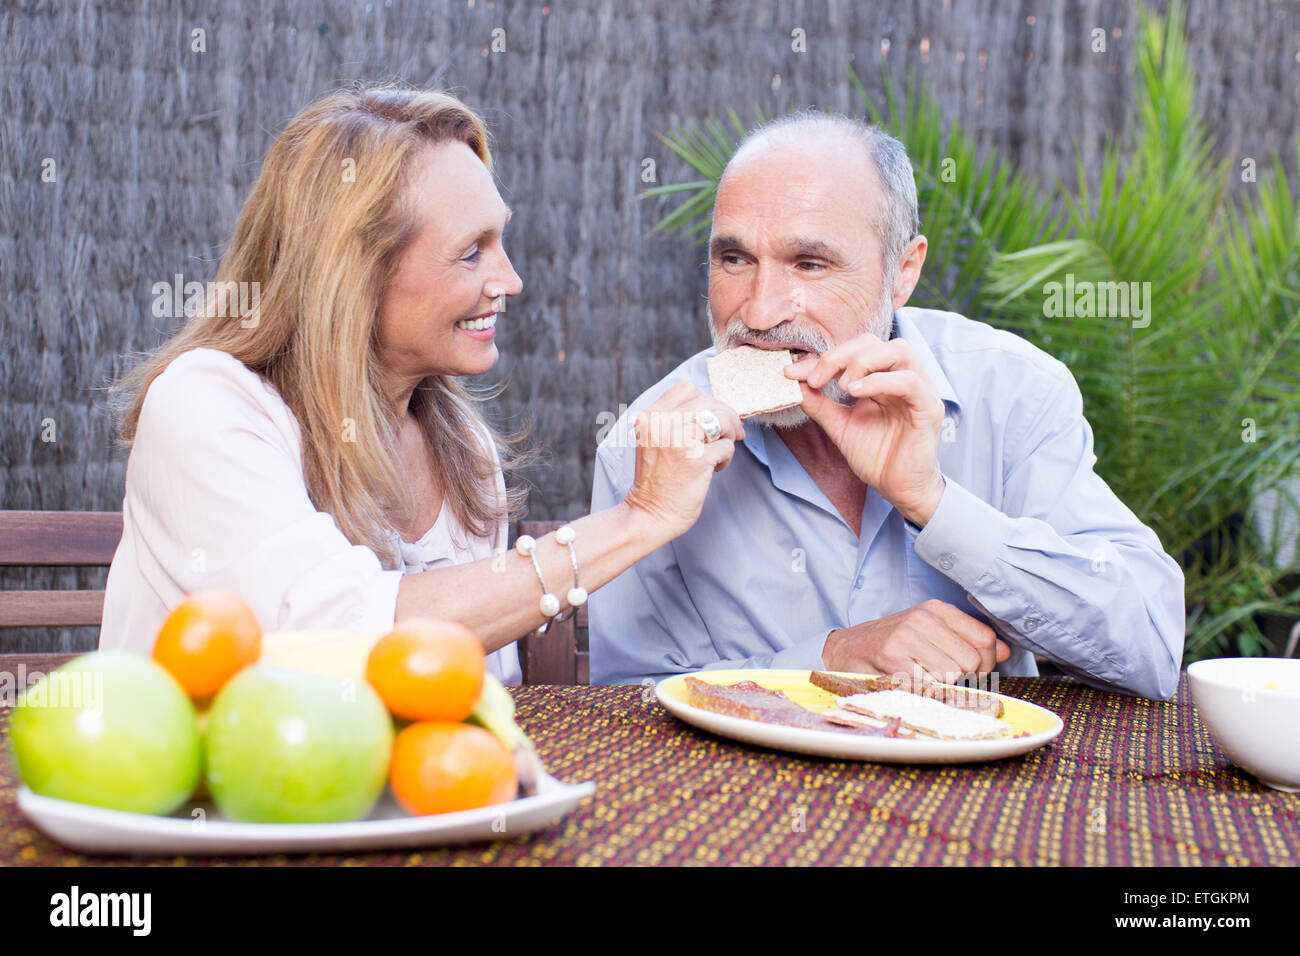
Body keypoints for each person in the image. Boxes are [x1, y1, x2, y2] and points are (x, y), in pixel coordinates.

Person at [100, 85, 742, 685]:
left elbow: (468, 694)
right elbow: (330, 642)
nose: (511, 280)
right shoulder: (204, 406)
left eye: (502, 242)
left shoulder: (461, 447)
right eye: (472, 252)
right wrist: (640, 518)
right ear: (353, 273)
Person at [588, 112, 1186, 700]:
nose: (761, 312)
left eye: (810, 263)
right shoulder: (646, 445)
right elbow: (624, 706)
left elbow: (1151, 649)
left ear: (903, 272)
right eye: (735, 259)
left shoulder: (1012, 392)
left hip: (983, 792)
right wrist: (828, 659)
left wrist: (935, 503)